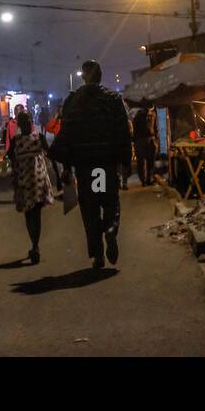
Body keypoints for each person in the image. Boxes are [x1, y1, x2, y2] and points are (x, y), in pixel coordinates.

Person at [51, 60, 131, 270]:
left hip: (85, 168)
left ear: (84, 76)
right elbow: (123, 131)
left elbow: (66, 135)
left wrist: (67, 167)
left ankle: (97, 255)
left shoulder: (72, 101)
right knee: (110, 203)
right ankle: (111, 230)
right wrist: (125, 162)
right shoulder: (113, 99)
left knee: (90, 211)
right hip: (106, 165)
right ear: (100, 76)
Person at [8, 109, 53, 264]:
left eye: (28, 121)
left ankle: (35, 245)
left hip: (36, 182)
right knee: (30, 214)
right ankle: (35, 245)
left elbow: (51, 154)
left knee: (34, 214)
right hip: (24, 182)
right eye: (24, 121)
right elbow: (10, 159)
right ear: (19, 124)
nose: (27, 124)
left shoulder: (38, 137)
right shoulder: (16, 140)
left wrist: (60, 178)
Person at [133, 107, 158, 186]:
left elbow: (155, 127)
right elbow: (135, 128)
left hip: (149, 139)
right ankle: (144, 180)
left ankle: (148, 179)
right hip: (141, 140)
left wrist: (155, 138)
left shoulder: (152, 114)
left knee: (150, 160)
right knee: (141, 161)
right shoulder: (138, 115)